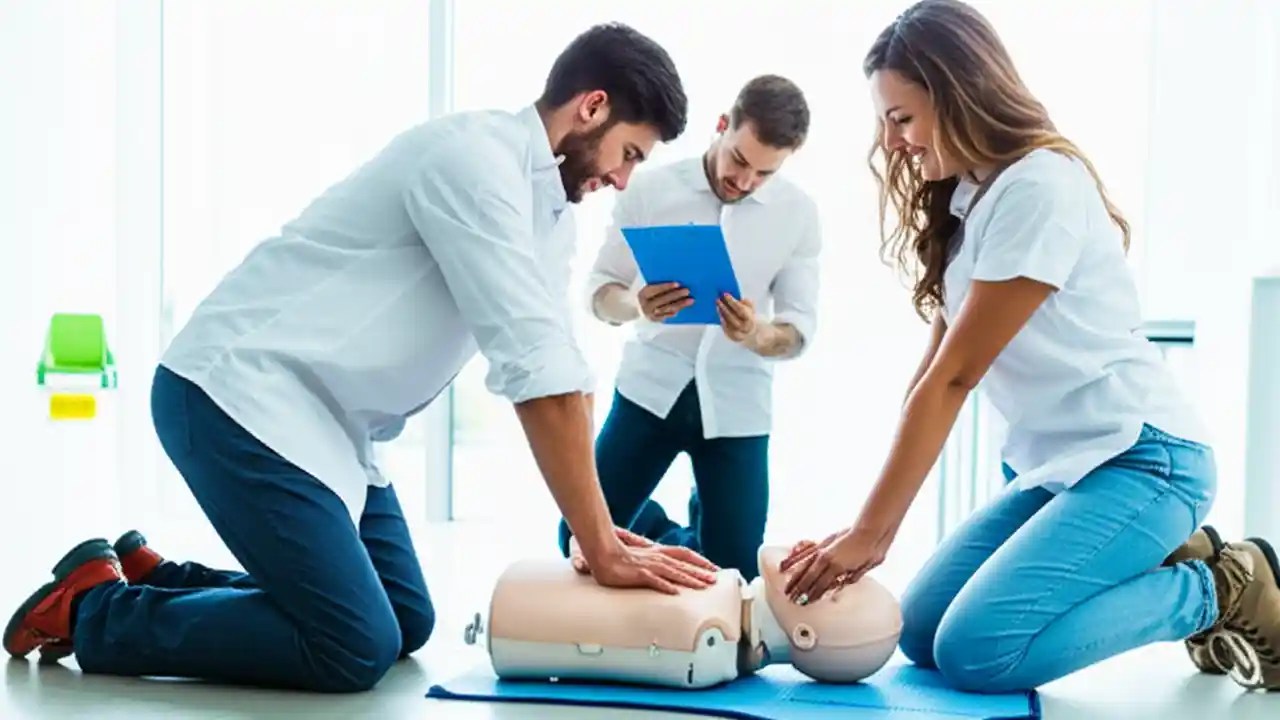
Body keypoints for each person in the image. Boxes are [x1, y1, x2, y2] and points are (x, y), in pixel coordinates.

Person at [4, 23, 721, 693]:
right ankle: (92, 609)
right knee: (351, 644)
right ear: (592, 107)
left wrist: (599, 528)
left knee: (405, 619)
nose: (623, 180)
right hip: (237, 395)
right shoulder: (474, 161)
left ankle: (157, 580)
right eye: (630, 154)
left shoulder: (550, 217)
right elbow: (537, 374)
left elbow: (562, 367)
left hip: (331, 425)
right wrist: (601, 546)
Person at [777, 0, 1279, 694]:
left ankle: (1216, 586)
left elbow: (955, 379)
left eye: (901, 118)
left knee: (978, 653)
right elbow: (929, 381)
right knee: (919, 633)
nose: (891, 142)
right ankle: (1164, 552)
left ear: (957, 96)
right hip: (1062, 471)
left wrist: (872, 535)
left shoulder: (1039, 186)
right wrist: (860, 530)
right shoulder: (969, 201)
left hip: (1146, 460)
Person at [557, 75, 822, 581]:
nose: (745, 181)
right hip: (650, 392)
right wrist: (637, 304)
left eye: (765, 173)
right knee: (578, 537)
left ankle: (693, 548)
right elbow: (600, 291)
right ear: (722, 125)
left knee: (735, 570)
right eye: (739, 160)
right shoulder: (650, 190)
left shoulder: (798, 215)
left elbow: (797, 329)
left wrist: (757, 334)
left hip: (738, 405)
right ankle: (676, 545)